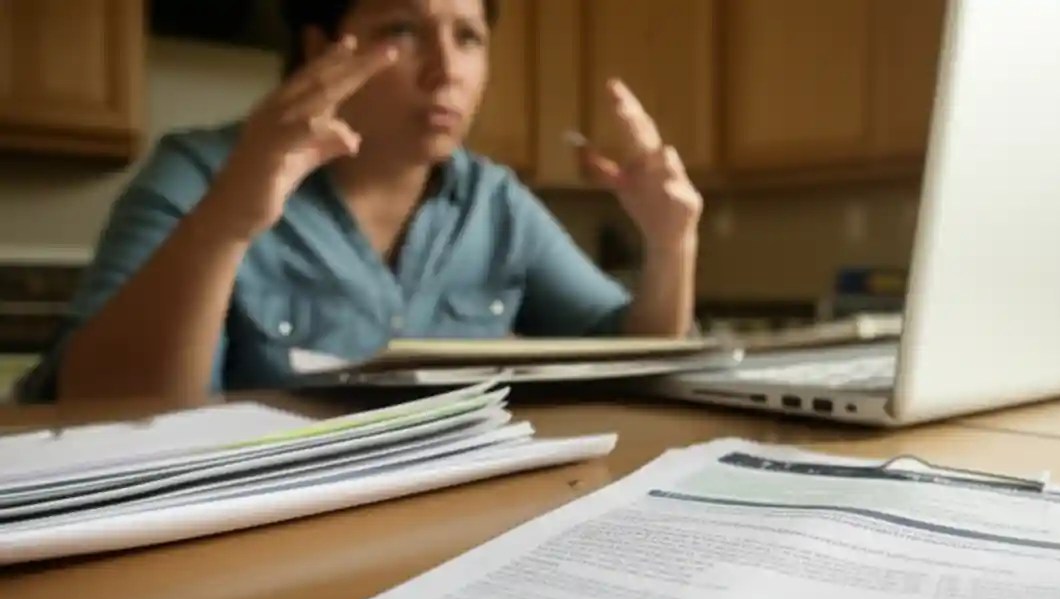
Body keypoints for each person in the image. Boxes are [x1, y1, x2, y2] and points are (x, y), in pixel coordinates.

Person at [16, 0, 702, 404]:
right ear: (320, 47)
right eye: (403, 29)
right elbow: (96, 407)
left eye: (469, 36)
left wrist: (671, 246)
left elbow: (630, 356)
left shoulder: (494, 201)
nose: (447, 69)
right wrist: (226, 223)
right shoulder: (199, 173)